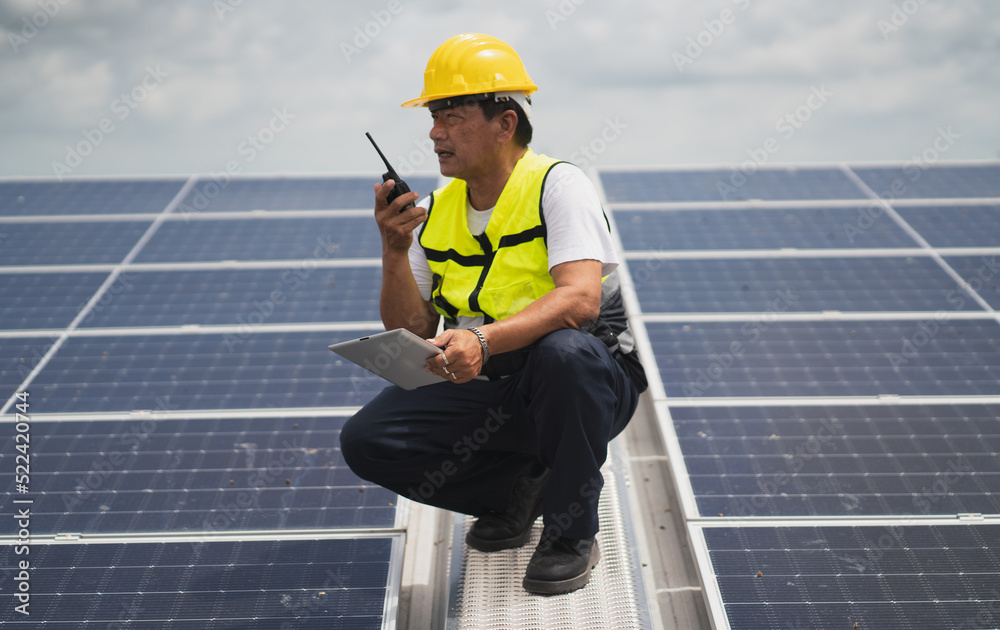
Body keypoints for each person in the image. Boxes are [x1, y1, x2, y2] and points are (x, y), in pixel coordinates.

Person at [340, 32, 647, 595]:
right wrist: (392, 252)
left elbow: (579, 301)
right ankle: (518, 493)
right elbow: (411, 331)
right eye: (434, 117)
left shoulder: (558, 185)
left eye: (452, 115)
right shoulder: (434, 212)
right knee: (367, 439)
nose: (435, 132)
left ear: (504, 123)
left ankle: (571, 532)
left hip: (585, 381)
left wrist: (480, 339)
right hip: (494, 382)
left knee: (566, 352)